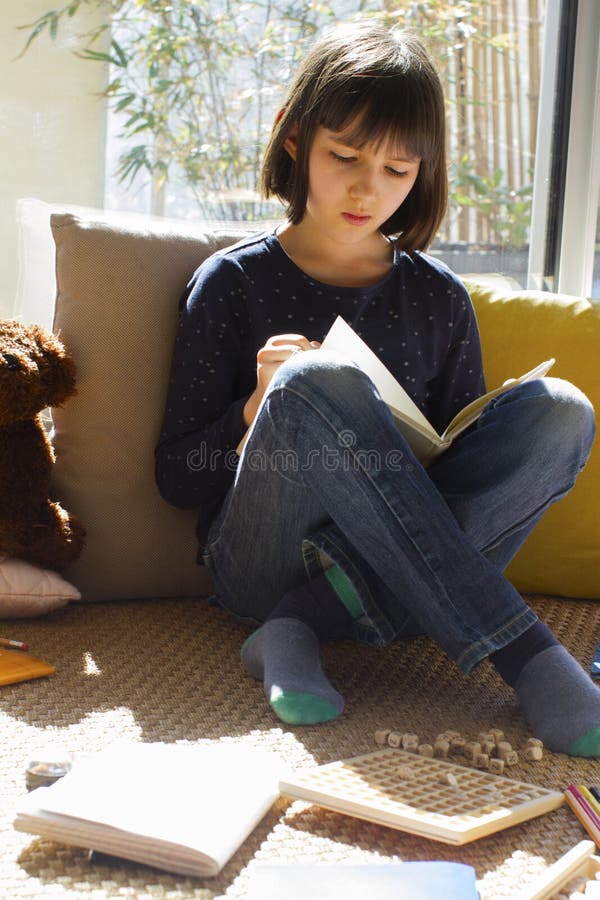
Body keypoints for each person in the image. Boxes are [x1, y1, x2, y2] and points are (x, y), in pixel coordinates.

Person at [155, 21, 599, 756]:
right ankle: (527, 655)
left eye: (397, 169)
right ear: (293, 137)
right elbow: (177, 479)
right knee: (314, 379)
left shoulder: (439, 297)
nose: (368, 189)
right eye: (345, 157)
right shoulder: (231, 284)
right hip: (261, 564)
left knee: (563, 412)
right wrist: (258, 409)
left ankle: (299, 625)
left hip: (403, 565)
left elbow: (459, 475)